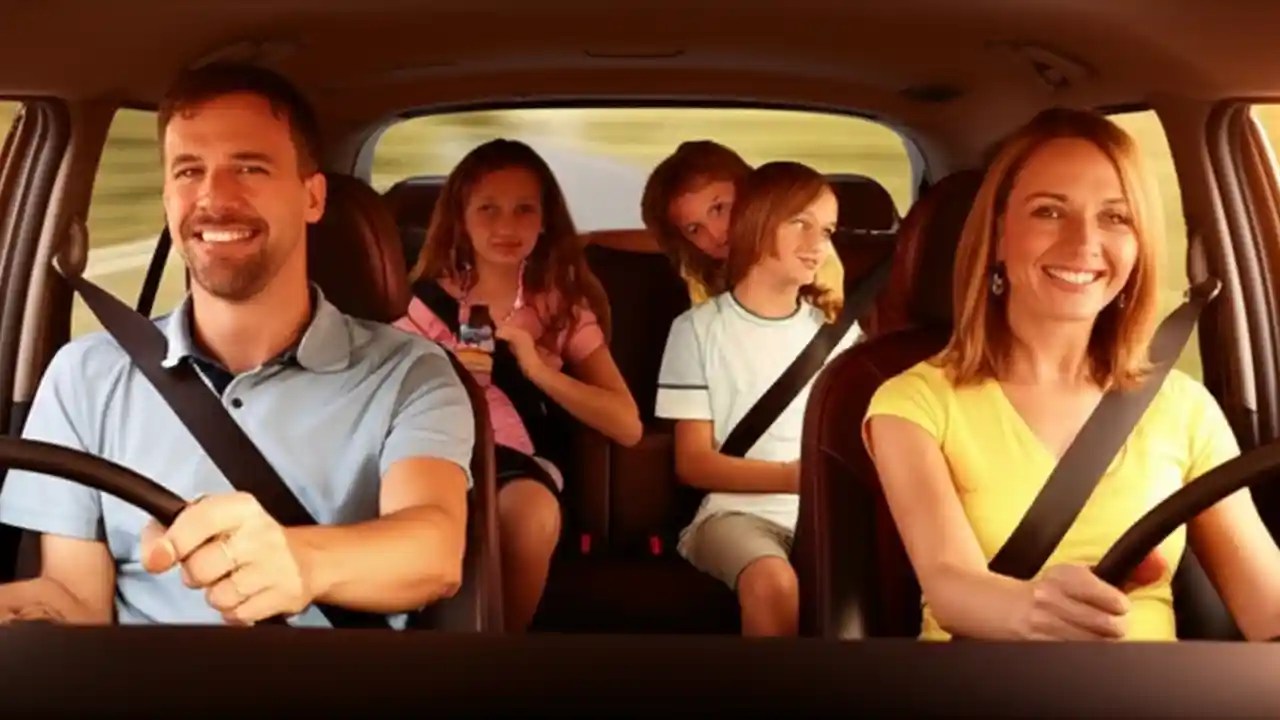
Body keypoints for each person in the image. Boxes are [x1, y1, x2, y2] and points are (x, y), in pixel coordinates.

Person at [0, 62, 475, 627]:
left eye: (249, 167)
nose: (214, 198)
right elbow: (74, 601)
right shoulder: (83, 376)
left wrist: (299, 561)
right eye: (188, 171)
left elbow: (435, 548)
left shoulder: (410, 372)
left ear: (312, 197)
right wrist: (27, 618)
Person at [862, 107, 1280, 642]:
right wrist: (1034, 607)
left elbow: (1268, 610)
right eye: (1049, 212)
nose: (1084, 243)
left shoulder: (1184, 408)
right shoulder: (912, 401)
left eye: (1115, 217)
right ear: (997, 234)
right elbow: (949, 584)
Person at [396, 138, 642, 632]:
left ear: (545, 219)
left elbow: (627, 425)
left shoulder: (560, 306)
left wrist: (538, 370)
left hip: (518, 462)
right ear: (460, 217)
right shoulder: (420, 304)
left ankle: (499, 660)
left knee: (528, 514)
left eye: (523, 210)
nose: (506, 226)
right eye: (488, 209)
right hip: (431, 450)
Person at [654, 161, 862, 636]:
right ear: (758, 220)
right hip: (734, 514)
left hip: (825, 514)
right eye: (800, 224)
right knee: (773, 584)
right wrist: (797, 477)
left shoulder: (841, 336)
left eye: (827, 230)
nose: (818, 245)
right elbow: (693, 463)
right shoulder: (697, 331)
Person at [589, 140, 844, 305]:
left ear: (752, 190)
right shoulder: (701, 271)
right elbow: (661, 242)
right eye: (694, 229)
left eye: (720, 208)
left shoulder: (806, 254)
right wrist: (588, 239)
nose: (716, 235)